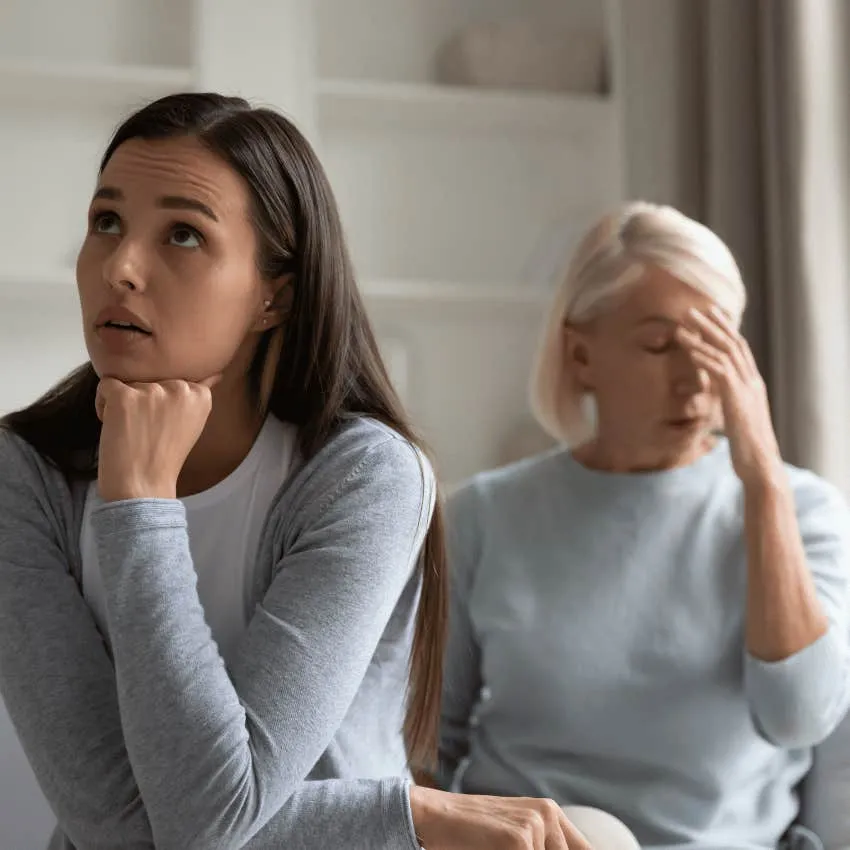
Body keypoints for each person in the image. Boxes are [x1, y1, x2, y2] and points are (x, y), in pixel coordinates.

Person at [0, 93, 591, 850]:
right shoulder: (26, 474)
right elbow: (120, 827)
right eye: (105, 221)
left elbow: (200, 822)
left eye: (183, 234)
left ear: (273, 296)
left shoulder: (363, 479)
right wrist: (405, 817)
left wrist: (140, 505)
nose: (120, 267)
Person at [435, 202, 850, 849]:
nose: (695, 379)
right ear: (580, 355)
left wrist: (764, 481)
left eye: (717, 343)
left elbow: (800, 717)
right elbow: (424, 745)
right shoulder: (485, 516)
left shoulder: (805, 510)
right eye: (660, 345)